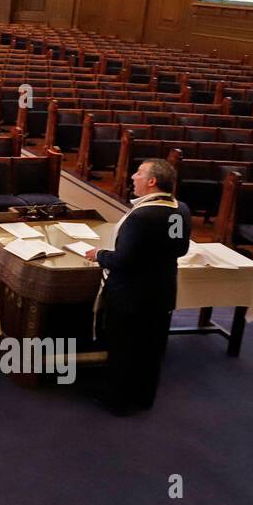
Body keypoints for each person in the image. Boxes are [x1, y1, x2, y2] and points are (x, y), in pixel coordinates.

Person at [84, 158, 191, 415]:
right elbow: (179, 248)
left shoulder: (142, 216)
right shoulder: (180, 209)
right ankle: (144, 396)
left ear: (152, 181)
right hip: (162, 290)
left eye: (139, 173)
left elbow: (123, 261)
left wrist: (99, 255)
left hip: (132, 295)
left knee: (123, 348)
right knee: (151, 349)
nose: (133, 176)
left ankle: (115, 399)